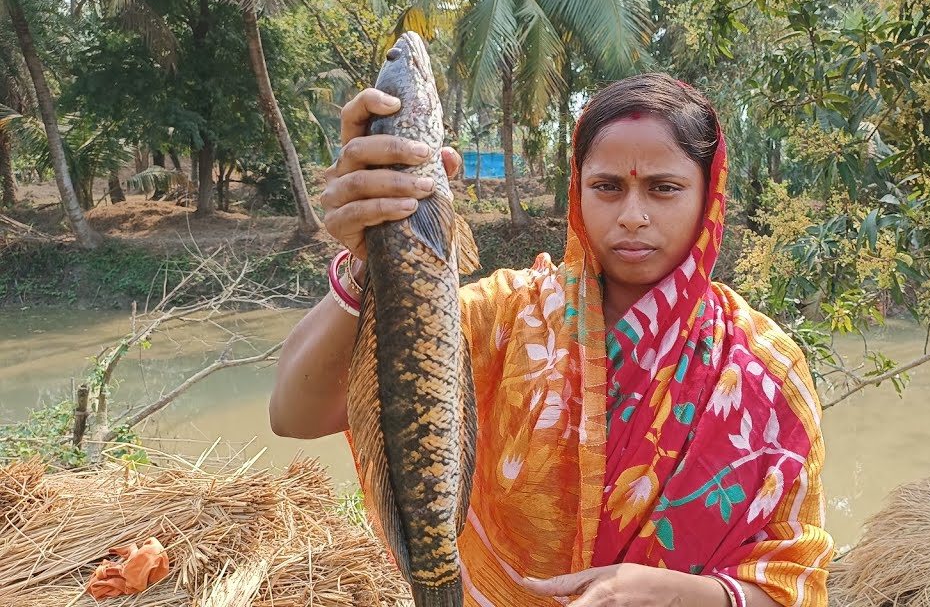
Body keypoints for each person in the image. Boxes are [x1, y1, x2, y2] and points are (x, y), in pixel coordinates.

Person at [271, 73, 833, 606]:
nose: (633, 216)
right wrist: (374, 258)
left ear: (707, 197)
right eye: (607, 187)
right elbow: (294, 413)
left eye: (664, 189)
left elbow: (794, 588)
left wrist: (678, 594)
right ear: (577, 191)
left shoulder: (764, 371)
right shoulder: (508, 319)